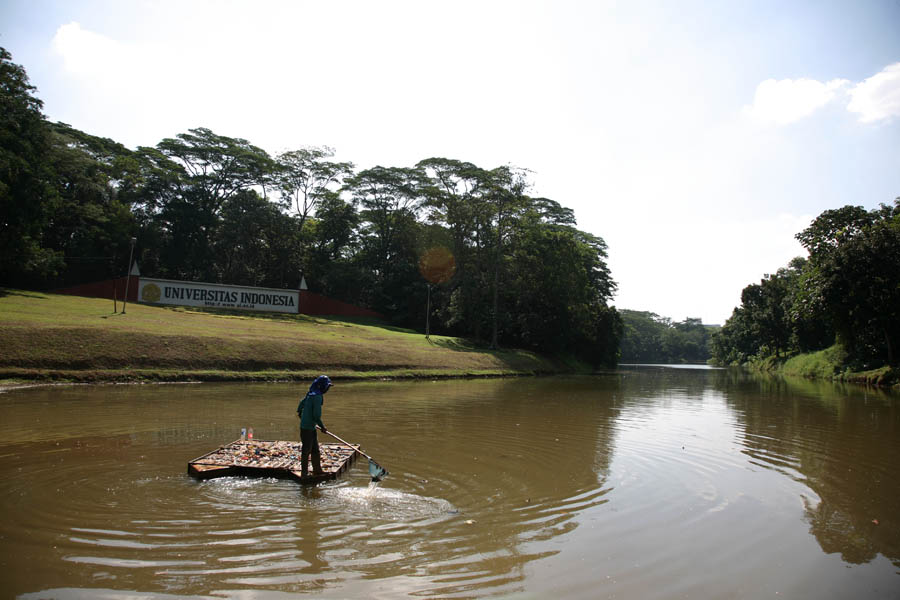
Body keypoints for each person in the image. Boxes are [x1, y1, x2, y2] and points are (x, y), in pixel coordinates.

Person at [297, 375, 332, 478]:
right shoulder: (317, 397)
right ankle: (304, 473)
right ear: (322, 386)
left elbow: (301, 403)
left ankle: (317, 470)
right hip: (308, 428)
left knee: (315, 449)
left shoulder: (311, 393)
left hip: (308, 426)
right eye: (327, 386)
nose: (328, 389)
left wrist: (299, 412)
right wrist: (322, 427)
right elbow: (316, 416)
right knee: (306, 450)